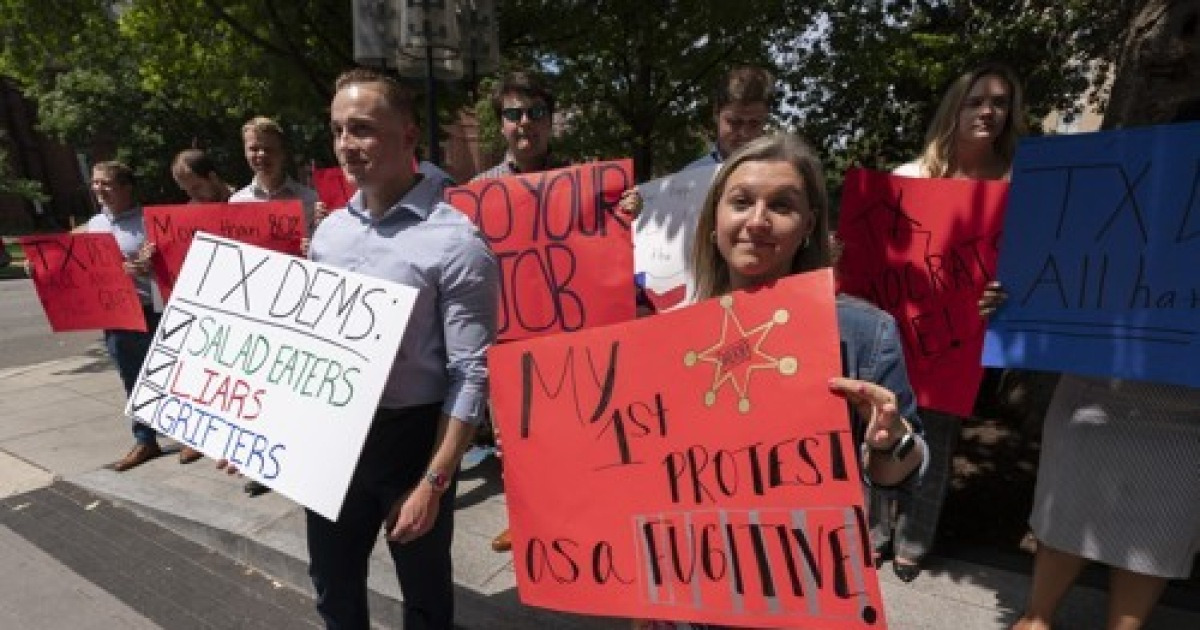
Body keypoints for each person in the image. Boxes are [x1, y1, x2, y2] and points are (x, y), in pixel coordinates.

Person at [636, 132, 928, 630]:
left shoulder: (864, 333)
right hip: (691, 587)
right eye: (742, 202)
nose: (757, 221)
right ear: (713, 223)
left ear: (808, 225)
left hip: (801, 587)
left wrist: (890, 441)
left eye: (782, 206)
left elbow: (898, 472)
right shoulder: (670, 339)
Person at [304, 67, 499, 630]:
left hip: (414, 438)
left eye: (362, 129)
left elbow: (470, 374)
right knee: (333, 582)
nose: (346, 145)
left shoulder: (456, 244)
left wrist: (434, 482)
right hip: (336, 436)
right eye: (338, 130)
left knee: (425, 593)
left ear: (409, 136)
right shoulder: (329, 235)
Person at [871, 63, 1026, 583]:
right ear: (955, 108)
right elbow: (877, 253)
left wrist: (1005, 293)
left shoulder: (1017, 185)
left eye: (1000, 102)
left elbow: (1027, 265)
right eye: (976, 100)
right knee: (880, 425)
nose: (988, 112)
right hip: (897, 325)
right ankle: (874, 531)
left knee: (936, 435)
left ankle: (915, 539)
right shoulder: (911, 177)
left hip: (960, 336)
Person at [476, 69, 642, 553]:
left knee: (577, 431)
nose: (524, 122)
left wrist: (624, 212)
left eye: (535, 112)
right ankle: (527, 521)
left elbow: (604, 252)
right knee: (518, 439)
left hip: (571, 334)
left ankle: (584, 517)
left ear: (550, 120)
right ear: (501, 124)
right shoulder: (479, 192)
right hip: (509, 336)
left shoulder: (583, 182)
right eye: (513, 114)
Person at [81, 161, 165, 471]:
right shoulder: (94, 224)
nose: (99, 189)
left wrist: (149, 267)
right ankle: (145, 439)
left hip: (151, 311)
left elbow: (173, 264)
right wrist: (40, 268)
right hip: (116, 315)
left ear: (126, 187)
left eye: (106, 183)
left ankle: (187, 439)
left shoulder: (149, 221)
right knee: (132, 379)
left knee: (168, 375)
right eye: (95, 183)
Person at [230, 116, 319, 229]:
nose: (261, 154)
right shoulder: (236, 202)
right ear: (245, 152)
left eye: (269, 149)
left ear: (282, 153)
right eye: (254, 149)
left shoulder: (310, 200)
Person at [685, 65, 776, 170]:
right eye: (734, 122)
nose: (744, 133)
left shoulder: (783, 175)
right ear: (715, 113)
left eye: (754, 124)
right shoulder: (689, 178)